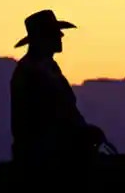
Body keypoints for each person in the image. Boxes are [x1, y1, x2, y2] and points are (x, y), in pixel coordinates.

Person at [10, 10, 108, 177]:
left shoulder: (46, 67)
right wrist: (81, 133)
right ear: (43, 39)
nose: (61, 35)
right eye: (55, 33)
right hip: (44, 153)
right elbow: (49, 118)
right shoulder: (30, 72)